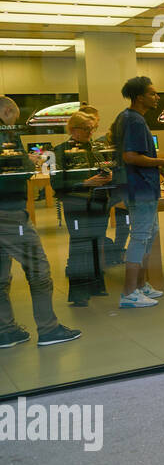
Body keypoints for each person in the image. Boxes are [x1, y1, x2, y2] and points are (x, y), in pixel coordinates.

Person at [0, 96, 80, 347]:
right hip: (11, 214)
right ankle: (49, 329)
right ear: (7, 111)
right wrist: (30, 161)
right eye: (15, 114)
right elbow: (18, 167)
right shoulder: (6, 134)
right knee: (39, 272)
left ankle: (6, 330)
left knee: (1, 278)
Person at [111, 76, 164, 309]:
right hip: (140, 189)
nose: (157, 97)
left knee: (149, 233)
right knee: (140, 236)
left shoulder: (129, 118)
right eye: (153, 93)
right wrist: (162, 161)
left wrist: (157, 167)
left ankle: (140, 285)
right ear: (140, 98)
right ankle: (129, 292)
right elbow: (131, 156)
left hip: (141, 185)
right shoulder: (134, 121)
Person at [51, 111, 114, 306]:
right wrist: (85, 182)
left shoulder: (97, 149)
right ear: (72, 130)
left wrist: (109, 175)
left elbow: (108, 166)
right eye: (86, 129)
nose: (90, 133)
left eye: (92, 129)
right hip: (76, 204)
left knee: (97, 243)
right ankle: (78, 293)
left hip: (99, 202)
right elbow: (56, 182)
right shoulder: (58, 151)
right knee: (80, 246)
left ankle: (96, 286)